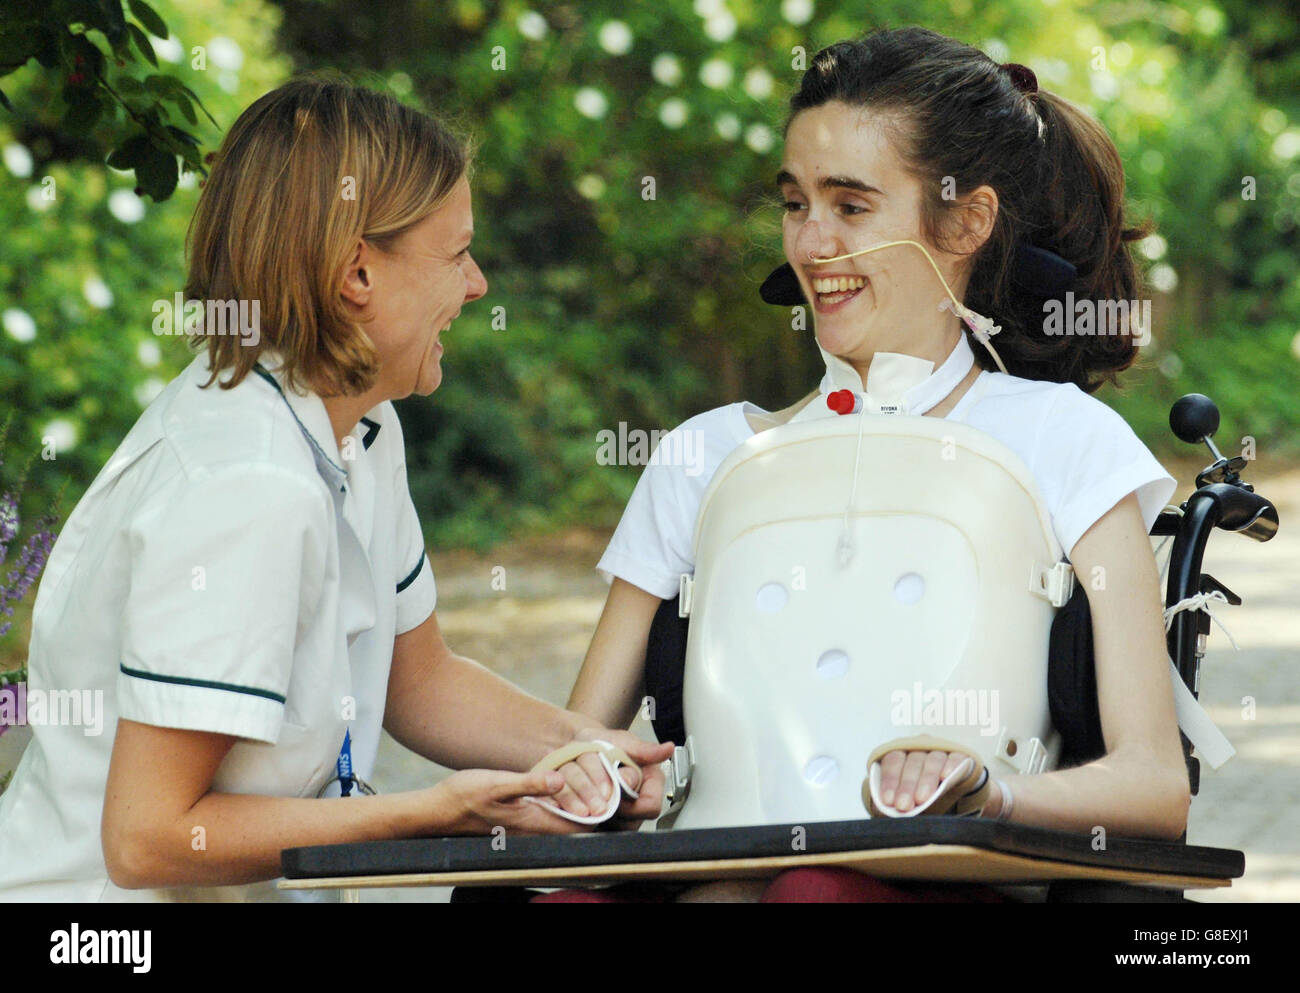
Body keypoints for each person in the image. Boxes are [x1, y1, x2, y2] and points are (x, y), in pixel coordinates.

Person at [0, 74, 671, 902]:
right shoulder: (247, 486)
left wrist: (585, 750)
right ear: (357, 274)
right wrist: (433, 816)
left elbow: (420, 680)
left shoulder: (358, 421)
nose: (478, 285)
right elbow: (147, 838)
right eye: (457, 254)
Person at [562, 26, 1190, 902]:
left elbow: (1156, 784)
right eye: (795, 203)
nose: (811, 243)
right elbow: (573, 747)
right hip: (718, 875)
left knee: (813, 894)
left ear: (967, 221)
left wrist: (986, 795)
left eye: (851, 207)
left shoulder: (1065, 440)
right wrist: (600, 780)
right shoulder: (702, 455)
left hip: (945, 884)